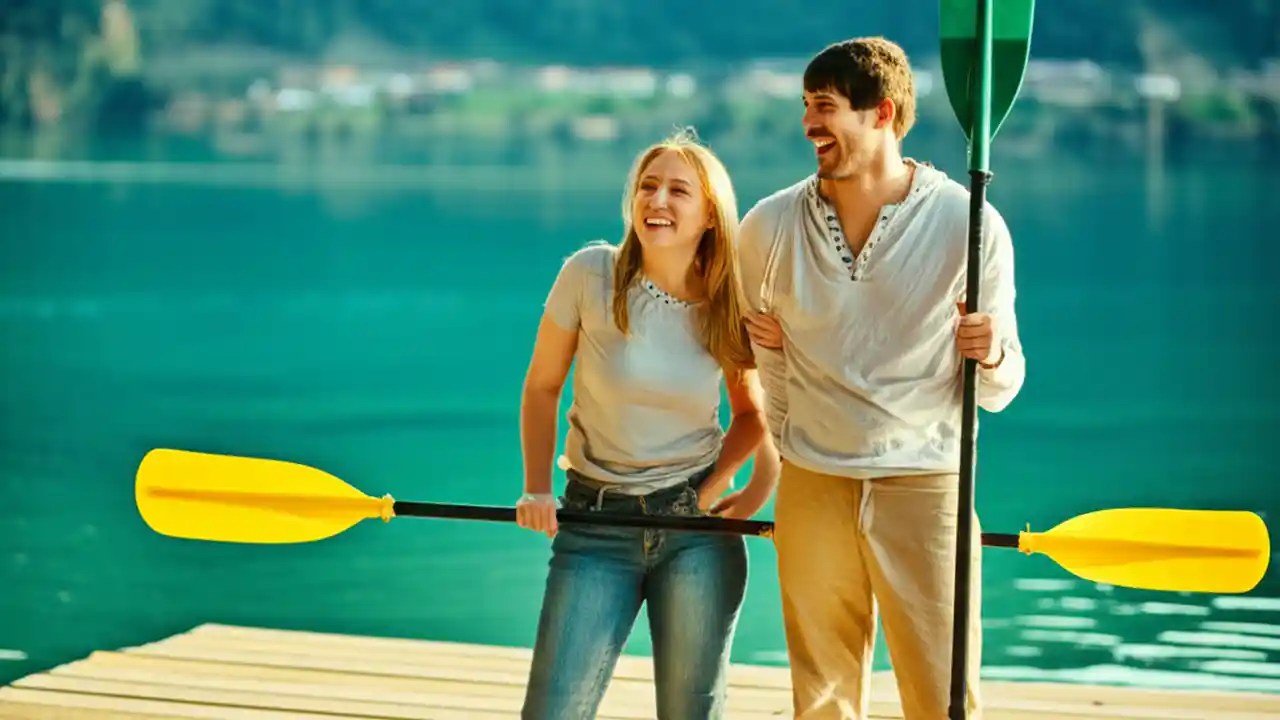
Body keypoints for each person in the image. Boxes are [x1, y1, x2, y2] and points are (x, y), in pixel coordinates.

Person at [736, 37, 1027, 719]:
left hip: (926, 485)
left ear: (881, 113)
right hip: (812, 481)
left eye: (825, 107)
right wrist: (792, 444)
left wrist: (990, 353)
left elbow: (1000, 389)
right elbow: (770, 365)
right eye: (806, 106)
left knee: (943, 694)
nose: (809, 123)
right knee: (822, 695)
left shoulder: (969, 225)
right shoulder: (769, 227)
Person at [515, 128, 781, 720]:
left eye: (678, 190)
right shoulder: (591, 274)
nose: (657, 200)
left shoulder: (729, 302)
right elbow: (541, 388)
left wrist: (715, 491)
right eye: (647, 186)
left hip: (696, 537)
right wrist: (536, 487)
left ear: (710, 214)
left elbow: (753, 416)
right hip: (593, 526)